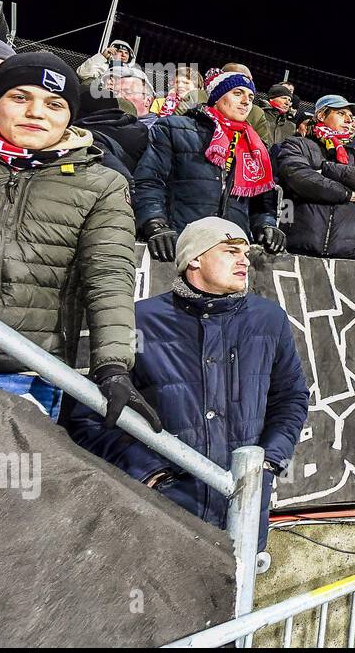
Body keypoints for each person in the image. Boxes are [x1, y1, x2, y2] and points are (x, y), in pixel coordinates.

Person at [62, 217, 309, 551]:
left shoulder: (269, 318)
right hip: (162, 516)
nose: (244, 260)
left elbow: (291, 398)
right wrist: (150, 474)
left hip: (244, 512)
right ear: (194, 258)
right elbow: (88, 415)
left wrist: (266, 463)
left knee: (237, 602)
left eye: (245, 252)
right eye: (230, 251)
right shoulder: (140, 321)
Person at [0, 52, 154, 425]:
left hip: (28, 376)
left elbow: (109, 276)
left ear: (70, 115)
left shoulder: (101, 183)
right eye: (20, 98)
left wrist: (114, 365)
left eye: (54, 104)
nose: (36, 113)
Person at [133, 68, 285, 260]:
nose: (246, 102)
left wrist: (266, 225)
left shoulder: (256, 148)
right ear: (217, 97)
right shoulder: (174, 128)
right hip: (180, 244)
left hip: (231, 252)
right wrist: (155, 223)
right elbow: (149, 180)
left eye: (251, 97)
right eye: (237, 93)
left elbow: (262, 203)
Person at [273, 95, 355, 259]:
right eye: (341, 114)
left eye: (351, 116)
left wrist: (327, 168)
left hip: (347, 255)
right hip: (298, 249)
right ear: (321, 115)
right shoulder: (297, 144)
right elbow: (300, 178)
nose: (349, 120)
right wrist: (346, 193)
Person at [253, 83, 298, 148]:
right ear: (271, 99)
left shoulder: (291, 127)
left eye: (289, 100)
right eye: (284, 98)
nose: (287, 103)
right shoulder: (258, 114)